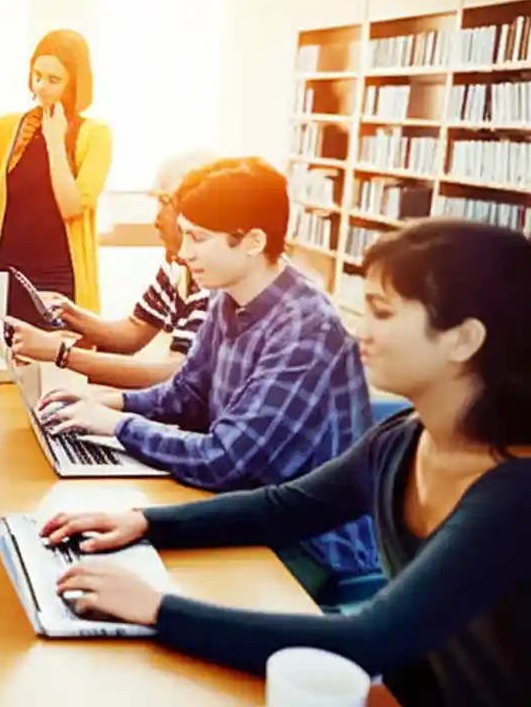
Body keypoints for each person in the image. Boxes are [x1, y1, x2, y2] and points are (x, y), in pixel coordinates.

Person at [43, 221, 531, 707]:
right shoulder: (403, 439)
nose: (361, 330)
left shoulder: (514, 495)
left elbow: (370, 640)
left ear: (463, 339)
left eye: (382, 313)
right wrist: (145, 522)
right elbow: (285, 508)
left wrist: (156, 608)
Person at [38, 157, 381, 601]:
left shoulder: (306, 328)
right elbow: (189, 394)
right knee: (102, 556)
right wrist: (112, 403)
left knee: (134, 586)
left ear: (253, 241)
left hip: (307, 542)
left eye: (198, 237)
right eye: (184, 233)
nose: (183, 252)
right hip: (241, 508)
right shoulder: (228, 296)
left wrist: (118, 427)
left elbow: (226, 461)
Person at [2, 150, 215, 389]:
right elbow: (133, 331)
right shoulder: (177, 264)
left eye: (164, 202)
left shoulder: (212, 278)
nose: (156, 219)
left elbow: (175, 375)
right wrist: (68, 312)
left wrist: (61, 353)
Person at [0, 29, 112, 322]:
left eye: (54, 80)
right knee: (2, 363)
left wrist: (54, 141)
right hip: (6, 273)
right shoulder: (7, 128)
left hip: (59, 279)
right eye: (37, 75)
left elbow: (71, 206)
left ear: (75, 83)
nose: (41, 87)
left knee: (60, 363)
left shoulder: (96, 135)